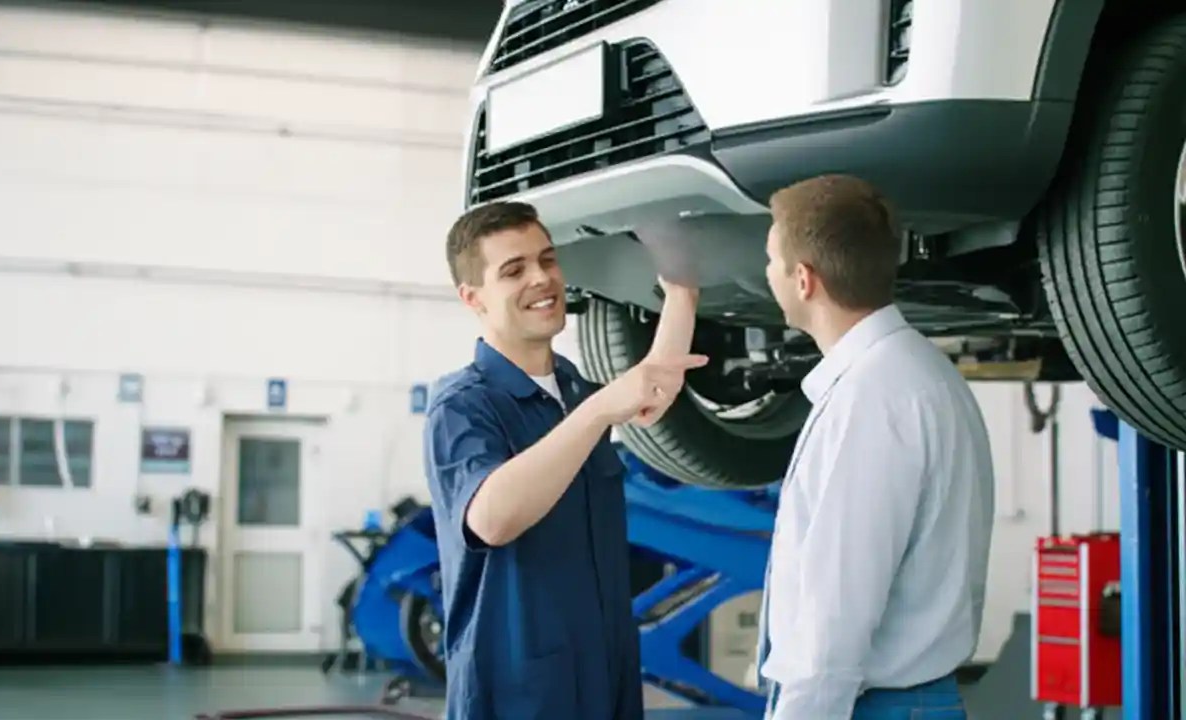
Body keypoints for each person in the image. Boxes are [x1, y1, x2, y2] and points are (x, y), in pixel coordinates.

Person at [423, 200, 706, 720]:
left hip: (605, 681)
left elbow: (650, 386)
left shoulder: (574, 388)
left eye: (547, 260)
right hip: (518, 697)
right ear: (473, 297)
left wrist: (681, 292)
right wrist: (599, 410)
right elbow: (492, 518)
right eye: (514, 270)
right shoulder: (462, 405)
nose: (542, 278)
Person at [755, 174, 995, 719]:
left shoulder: (872, 401)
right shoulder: (916, 375)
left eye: (770, 260)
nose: (764, 274)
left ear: (803, 279)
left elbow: (836, 612)